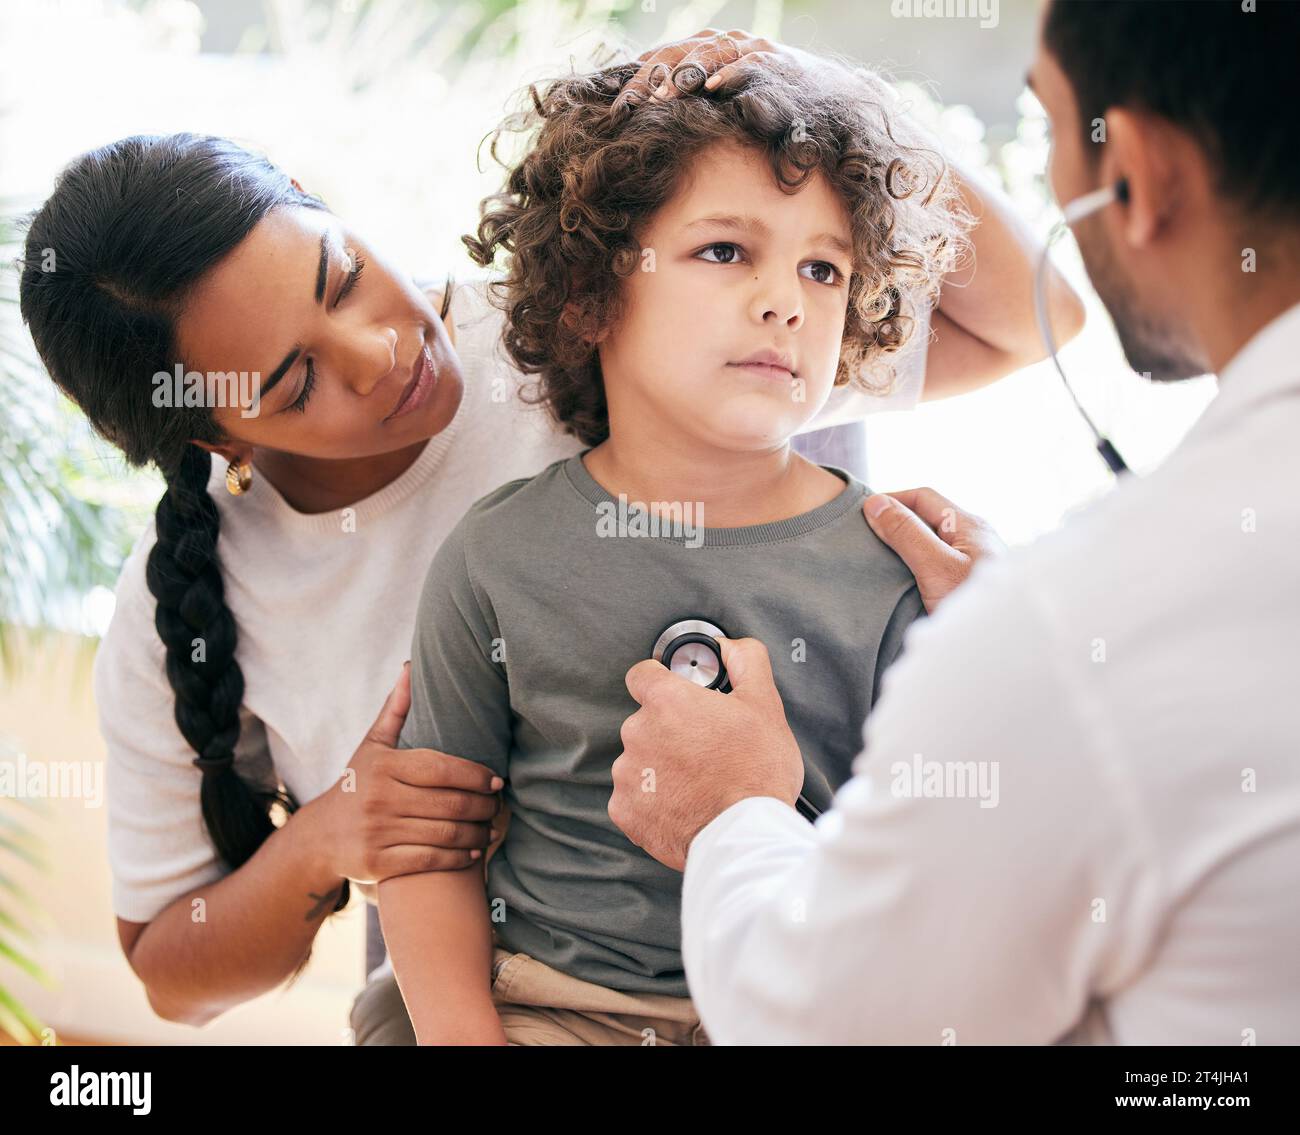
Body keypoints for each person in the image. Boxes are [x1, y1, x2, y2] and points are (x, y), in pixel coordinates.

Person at [16, 30, 1080, 1044]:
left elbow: (1035, 318)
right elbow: (169, 970)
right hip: (503, 989)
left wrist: (793, 85)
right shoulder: (186, 608)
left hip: (783, 952)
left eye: (341, 276)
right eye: (297, 381)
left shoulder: (611, 314)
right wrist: (326, 840)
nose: (380, 350)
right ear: (212, 433)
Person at [609, 0, 1300, 1045]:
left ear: (1143, 179)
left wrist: (734, 813)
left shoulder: (1068, 635)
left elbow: (830, 1025)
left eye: (1054, 128)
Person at [380, 49, 967, 1045]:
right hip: (550, 1009)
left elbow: (930, 870)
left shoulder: (898, 567)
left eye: (821, 267)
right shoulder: (495, 558)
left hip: (797, 1009)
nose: (785, 298)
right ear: (589, 294)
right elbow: (429, 853)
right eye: (726, 251)